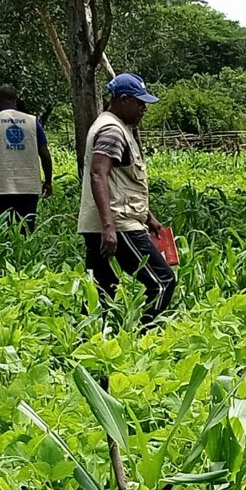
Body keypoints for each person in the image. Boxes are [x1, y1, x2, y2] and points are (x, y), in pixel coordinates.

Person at [78, 73, 175, 326]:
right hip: (119, 224)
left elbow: (121, 179)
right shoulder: (112, 130)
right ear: (123, 100)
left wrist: (148, 216)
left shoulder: (113, 125)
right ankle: (141, 334)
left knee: (102, 288)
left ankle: (92, 337)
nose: (144, 108)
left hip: (106, 221)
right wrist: (109, 227)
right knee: (162, 282)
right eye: (139, 102)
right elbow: (99, 174)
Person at [0, 84, 51, 227]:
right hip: (28, 186)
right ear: (16, 100)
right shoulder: (33, 121)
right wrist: (48, 181)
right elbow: (45, 154)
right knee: (26, 231)